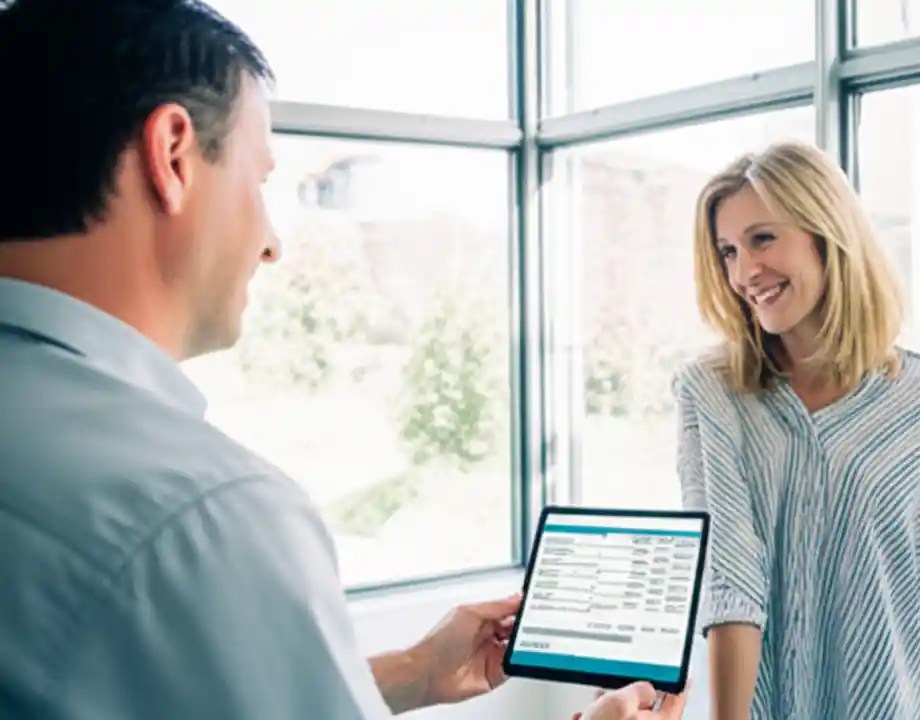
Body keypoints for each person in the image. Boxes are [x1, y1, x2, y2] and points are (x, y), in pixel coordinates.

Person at [0, 2, 683, 718]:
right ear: (172, 155)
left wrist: (415, 670)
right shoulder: (204, 518)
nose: (270, 242)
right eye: (258, 181)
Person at [674, 141, 920, 719]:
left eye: (763, 239)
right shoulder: (713, 392)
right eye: (727, 251)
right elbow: (731, 584)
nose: (745, 272)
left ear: (826, 233)